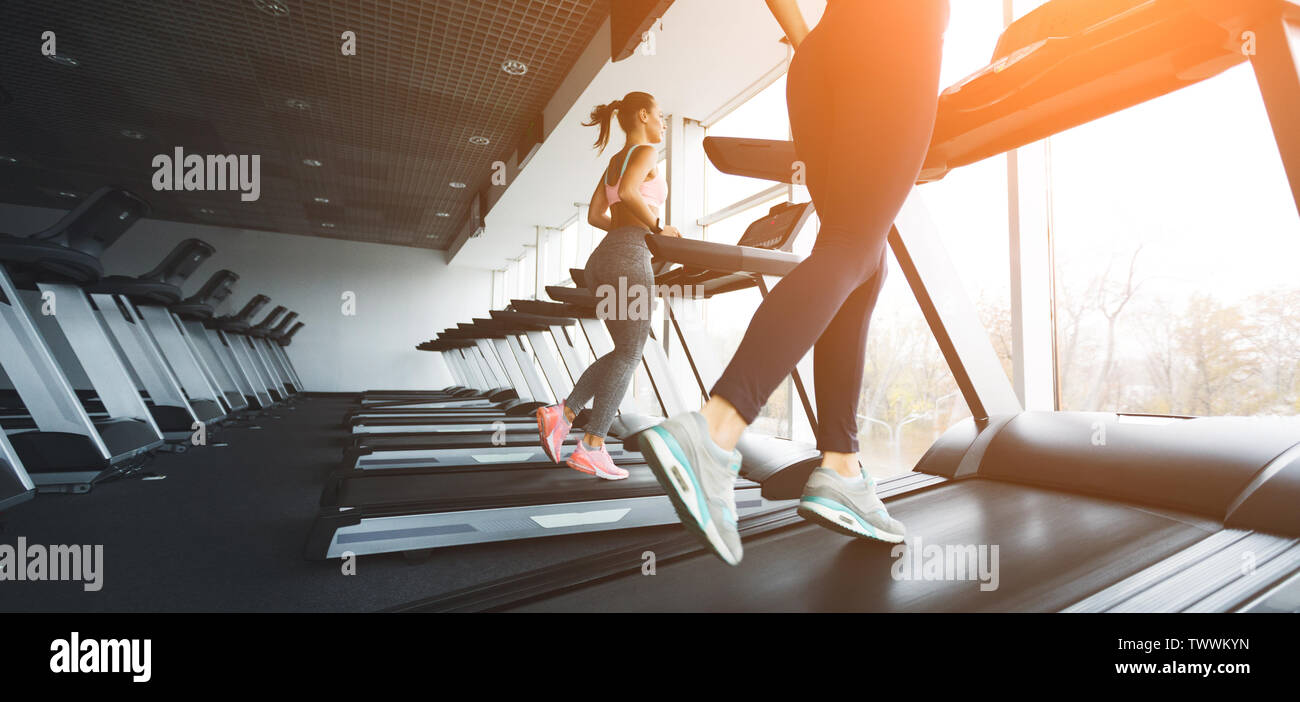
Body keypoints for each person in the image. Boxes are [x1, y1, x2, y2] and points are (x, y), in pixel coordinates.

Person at [638, 0, 951, 563]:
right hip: (897, 39)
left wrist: (811, 41)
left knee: (861, 258)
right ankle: (711, 433)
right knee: (854, 246)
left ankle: (840, 466)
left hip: (821, 56)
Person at [535, 91, 681, 480]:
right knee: (631, 352)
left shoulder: (615, 161)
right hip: (630, 257)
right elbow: (632, 194)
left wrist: (632, 232)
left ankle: (562, 415)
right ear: (644, 115)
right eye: (661, 115)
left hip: (602, 259)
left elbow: (598, 215)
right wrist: (657, 229)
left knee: (624, 350)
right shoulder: (646, 152)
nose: (664, 123)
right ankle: (591, 445)